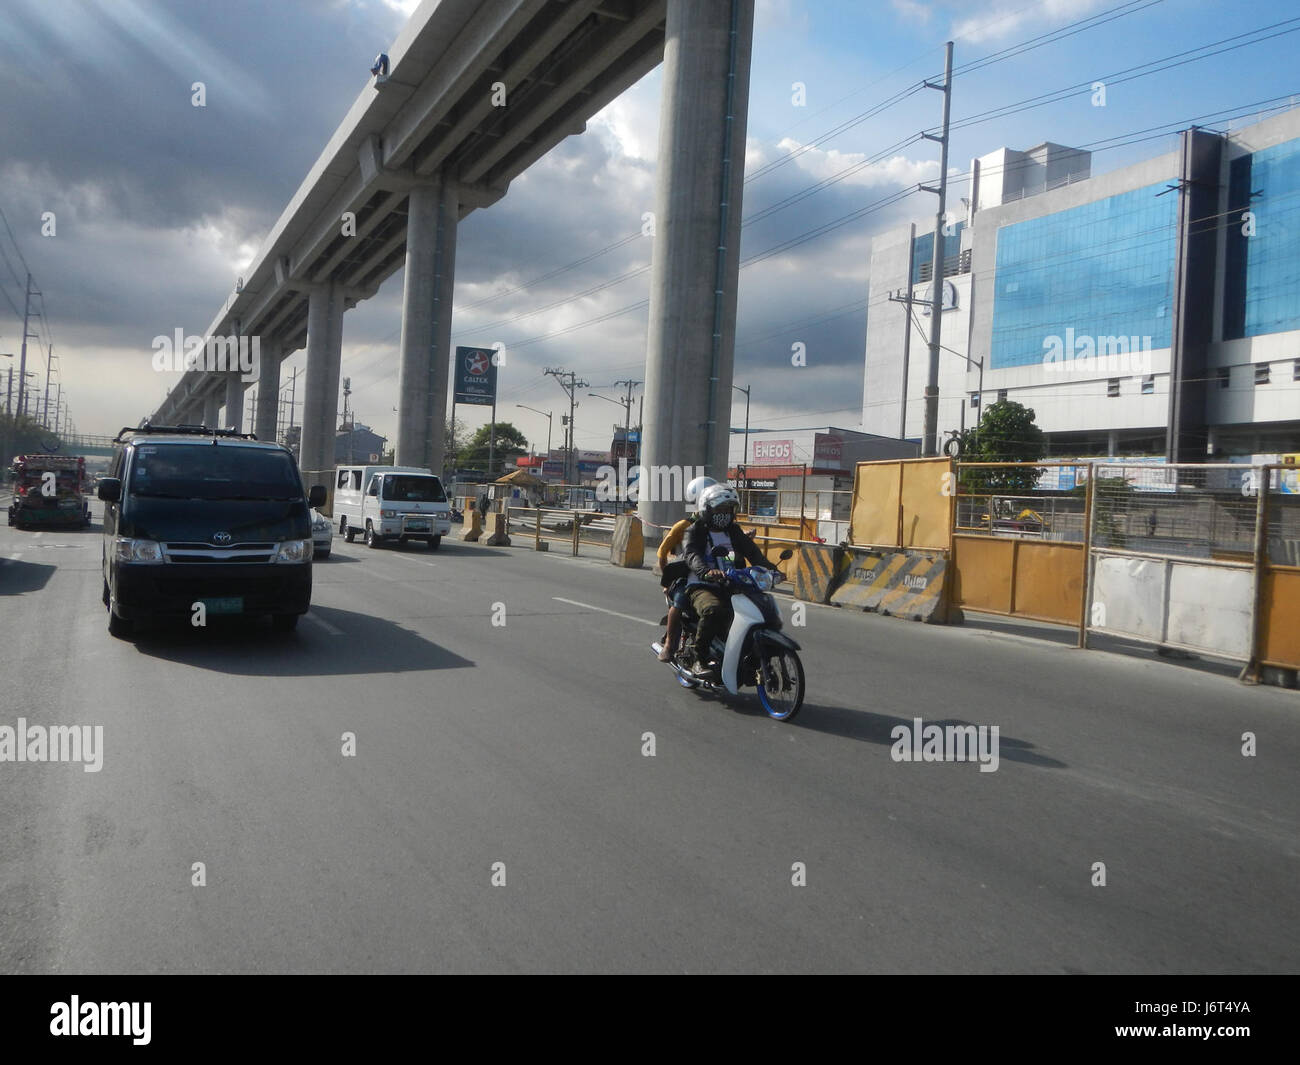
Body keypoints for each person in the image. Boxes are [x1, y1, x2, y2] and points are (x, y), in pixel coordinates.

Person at [681, 483, 780, 679]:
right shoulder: (695, 530)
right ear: (707, 509)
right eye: (720, 509)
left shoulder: (734, 531)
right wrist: (707, 572)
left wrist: (773, 570)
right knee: (714, 610)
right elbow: (691, 554)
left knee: (764, 612)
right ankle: (698, 659)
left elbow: (753, 553)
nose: (725, 514)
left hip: (733, 583)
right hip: (702, 585)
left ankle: (750, 659)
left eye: (728, 510)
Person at [656, 476, 716, 662]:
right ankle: (669, 645)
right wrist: (668, 582)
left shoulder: (719, 526)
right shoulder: (683, 526)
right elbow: (662, 552)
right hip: (687, 575)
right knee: (679, 602)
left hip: (713, 574)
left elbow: (728, 552)